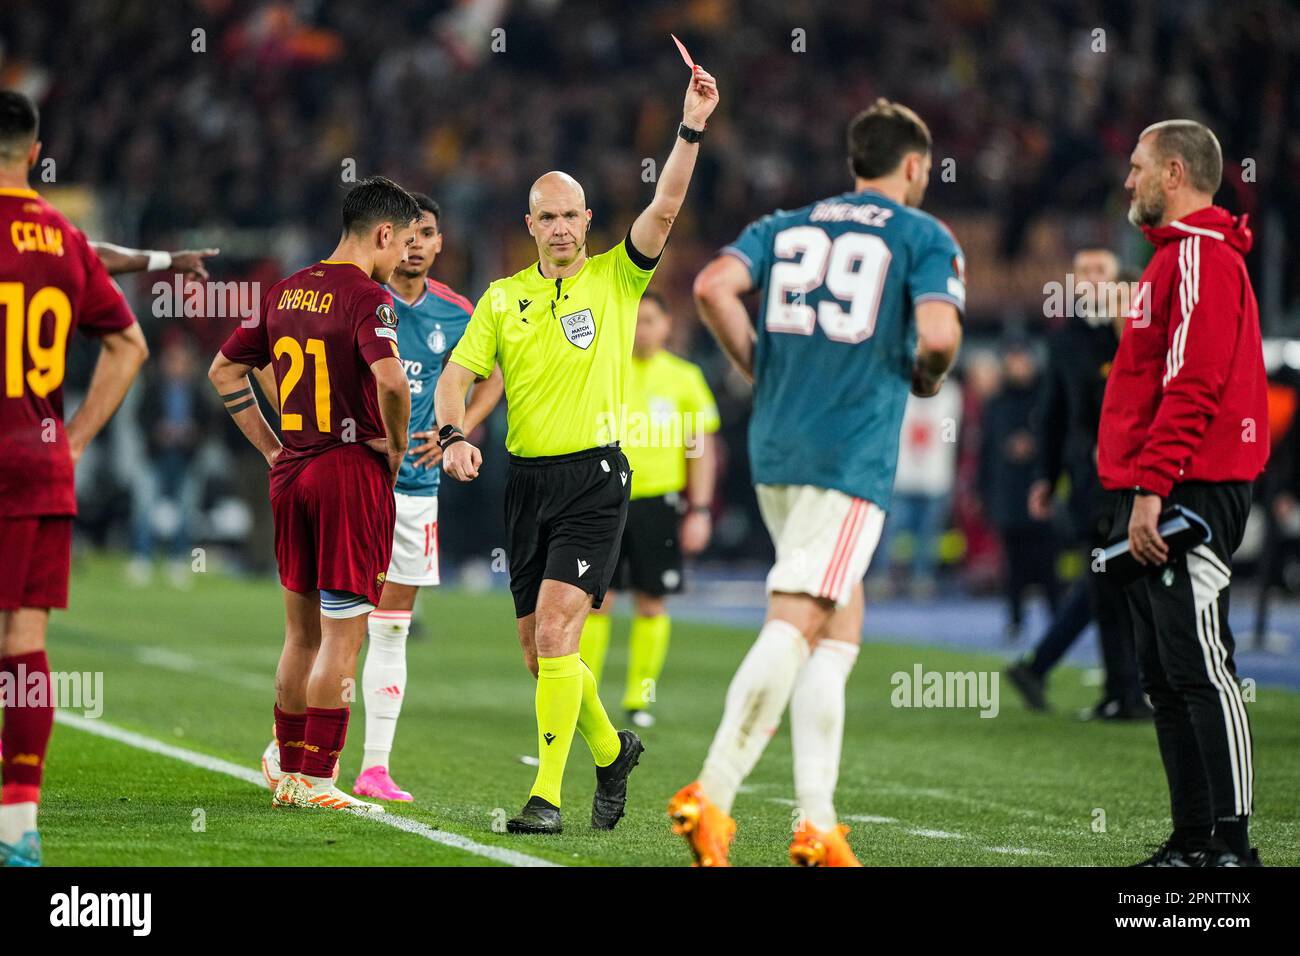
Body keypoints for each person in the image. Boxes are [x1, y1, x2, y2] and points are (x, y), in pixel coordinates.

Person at [674, 98, 963, 866]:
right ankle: (714, 788)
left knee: (839, 623)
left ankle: (818, 822)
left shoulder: (783, 225)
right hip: (847, 452)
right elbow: (937, 337)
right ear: (911, 166)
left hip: (778, 443)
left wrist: (759, 370)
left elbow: (710, 288)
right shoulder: (922, 234)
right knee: (801, 615)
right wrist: (927, 377)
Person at [435, 66, 720, 835]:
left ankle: (546, 800)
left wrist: (690, 125)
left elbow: (666, 204)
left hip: (596, 478)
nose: (560, 228)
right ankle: (610, 748)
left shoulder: (618, 279)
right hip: (525, 484)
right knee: (539, 655)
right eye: (546, 217)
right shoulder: (500, 299)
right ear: (528, 226)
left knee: (562, 635)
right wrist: (457, 434)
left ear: (587, 220)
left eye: (570, 215)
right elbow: (456, 379)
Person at [210, 176, 418, 815]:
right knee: (343, 638)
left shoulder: (285, 288)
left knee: (299, 635)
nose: (403, 256)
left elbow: (225, 368)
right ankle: (320, 781)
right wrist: (396, 445)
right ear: (383, 234)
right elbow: (392, 384)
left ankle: (290, 765)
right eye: (403, 242)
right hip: (346, 472)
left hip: (292, 472)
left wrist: (275, 447)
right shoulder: (366, 297)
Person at [1100, 120, 1268, 867]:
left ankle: (1232, 845)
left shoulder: (1200, 254)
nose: (1128, 181)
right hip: (1160, 482)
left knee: (1202, 665)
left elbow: (1192, 384)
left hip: (1184, 488)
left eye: (1137, 168)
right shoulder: (1175, 260)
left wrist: (1148, 490)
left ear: (1174, 172)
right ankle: (1193, 842)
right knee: (1166, 674)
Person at [0, 90, 149, 866]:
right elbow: (129, 347)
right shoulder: (61, 237)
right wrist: (76, 439)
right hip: (36, 467)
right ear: (34, 153)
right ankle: (19, 830)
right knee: (23, 645)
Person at [1006, 251, 1149, 719]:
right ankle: (1122, 690)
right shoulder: (1067, 340)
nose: (1093, 280)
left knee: (1108, 583)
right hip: (1095, 482)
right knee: (1107, 584)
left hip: (1132, 477)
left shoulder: (1136, 334)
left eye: (1102, 271)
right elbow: (1052, 415)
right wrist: (1046, 477)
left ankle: (1074, 675)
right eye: (1084, 272)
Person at [578, 290, 719, 728]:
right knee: (598, 602)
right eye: (636, 320)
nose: (643, 329)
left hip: (659, 500)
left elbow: (700, 449)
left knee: (652, 601)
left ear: (667, 324)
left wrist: (699, 509)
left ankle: (640, 698)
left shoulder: (685, 377)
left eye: (652, 320)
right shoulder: (602, 369)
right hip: (605, 497)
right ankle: (587, 694)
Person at [978, 336, 1060, 640]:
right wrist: (983, 493)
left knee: (1047, 564)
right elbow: (986, 451)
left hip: (1041, 493)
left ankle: (1057, 620)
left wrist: (1035, 448)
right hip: (1009, 496)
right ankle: (1015, 621)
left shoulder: (1045, 397)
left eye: (1021, 358)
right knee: (1013, 568)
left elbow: (1059, 439)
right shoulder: (996, 404)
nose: (1017, 365)